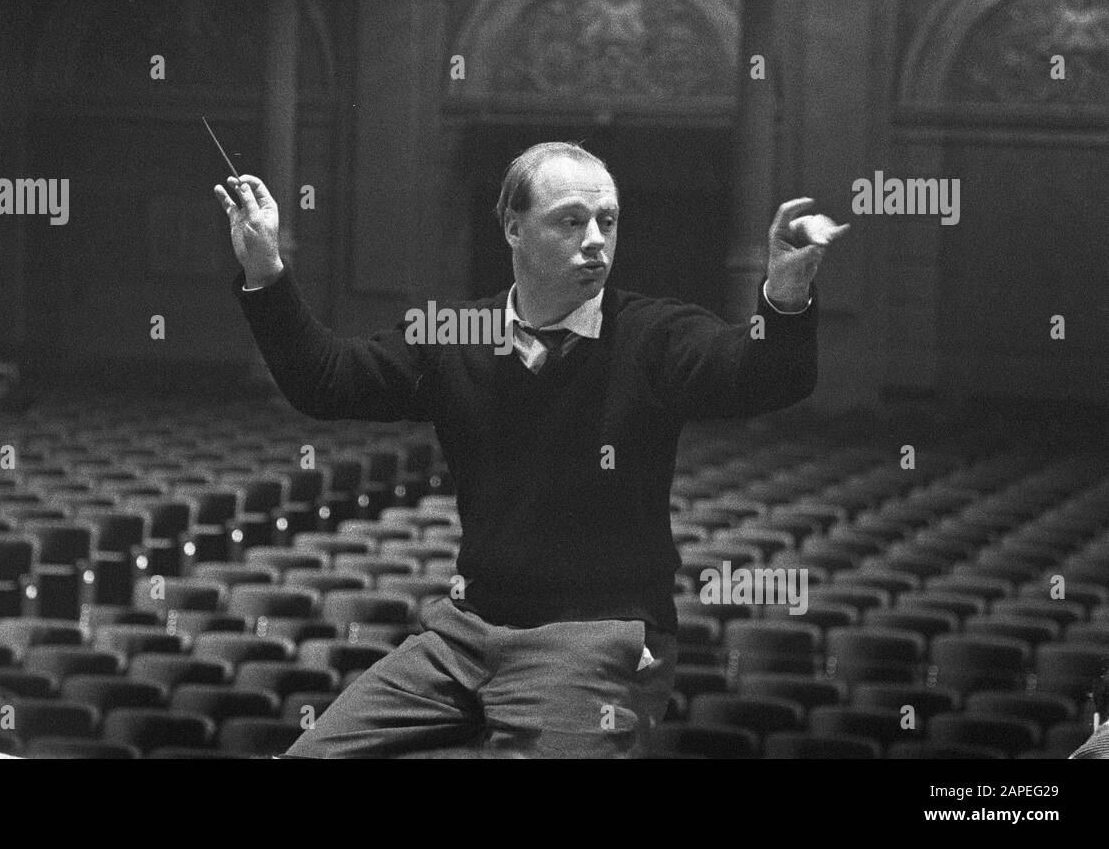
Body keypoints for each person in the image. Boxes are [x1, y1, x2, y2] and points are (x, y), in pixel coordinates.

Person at [215, 141, 848, 757]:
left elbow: (765, 376)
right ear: (514, 228)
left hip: (594, 633)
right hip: (465, 631)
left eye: (607, 220)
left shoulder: (652, 334)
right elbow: (324, 382)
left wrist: (786, 296)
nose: (596, 240)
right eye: (571, 221)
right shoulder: (459, 334)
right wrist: (266, 272)